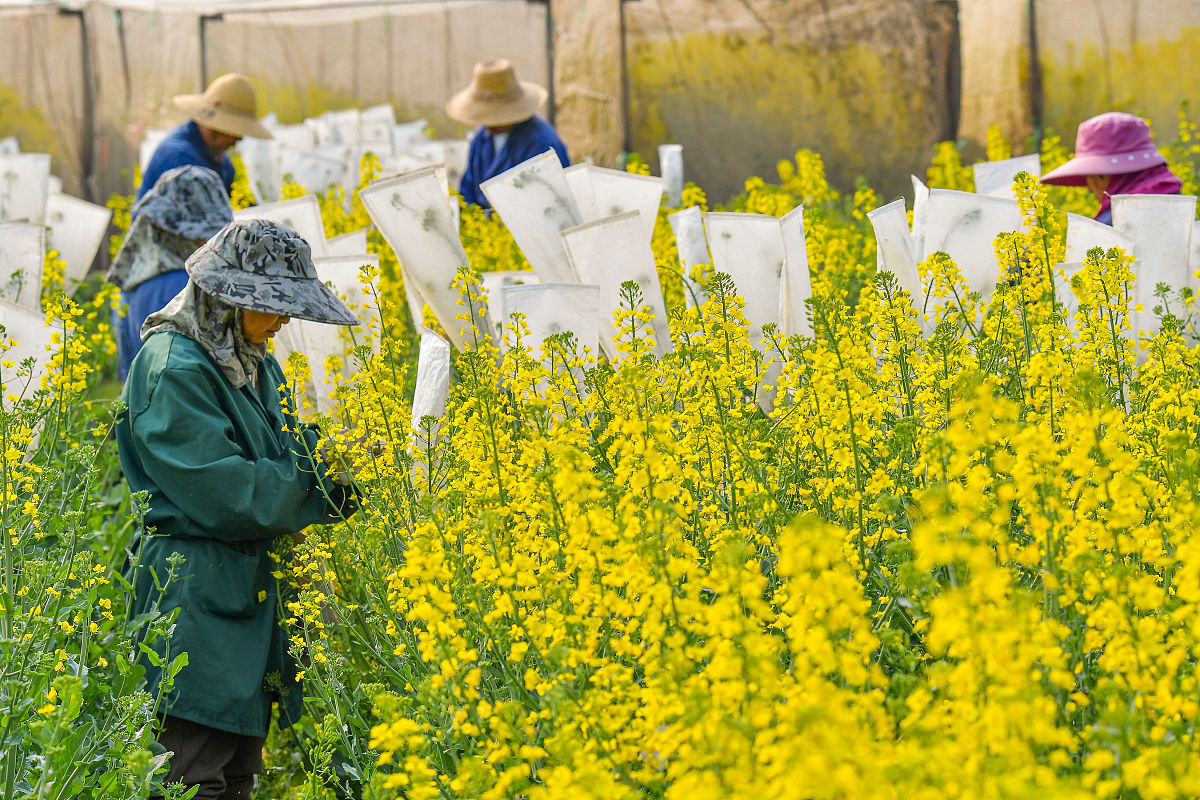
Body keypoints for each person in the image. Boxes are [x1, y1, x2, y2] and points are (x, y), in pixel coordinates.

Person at [116, 219, 361, 800]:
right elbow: (228, 493)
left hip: (246, 593)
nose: (282, 322)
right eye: (273, 306)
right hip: (196, 595)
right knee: (193, 774)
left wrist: (346, 458)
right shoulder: (174, 366)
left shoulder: (246, 356)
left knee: (236, 775)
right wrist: (322, 482)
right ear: (226, 299)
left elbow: (279, 445)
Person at [109, 165, 232, 380]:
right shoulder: (181, 285)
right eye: (206, 234)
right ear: (176, 232)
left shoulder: (136, 274)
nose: (211, 242)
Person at [447, 59, 569, 208]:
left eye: (493, 115)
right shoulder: (481, 138)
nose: (488, 122)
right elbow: (468, 192)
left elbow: (550, 206)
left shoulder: (541, 142)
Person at [137, 73, 273, 203]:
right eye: (237, 132)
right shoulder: (179, 159)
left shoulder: (219, 160)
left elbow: (242, 203)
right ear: (217, 126)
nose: (239, 139)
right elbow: (200, 220)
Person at [1040, 111, 1182, 225]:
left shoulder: (1110, 225)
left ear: (1103, 174)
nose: (1089, 188)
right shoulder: (1181, 206)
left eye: (1089, 176)